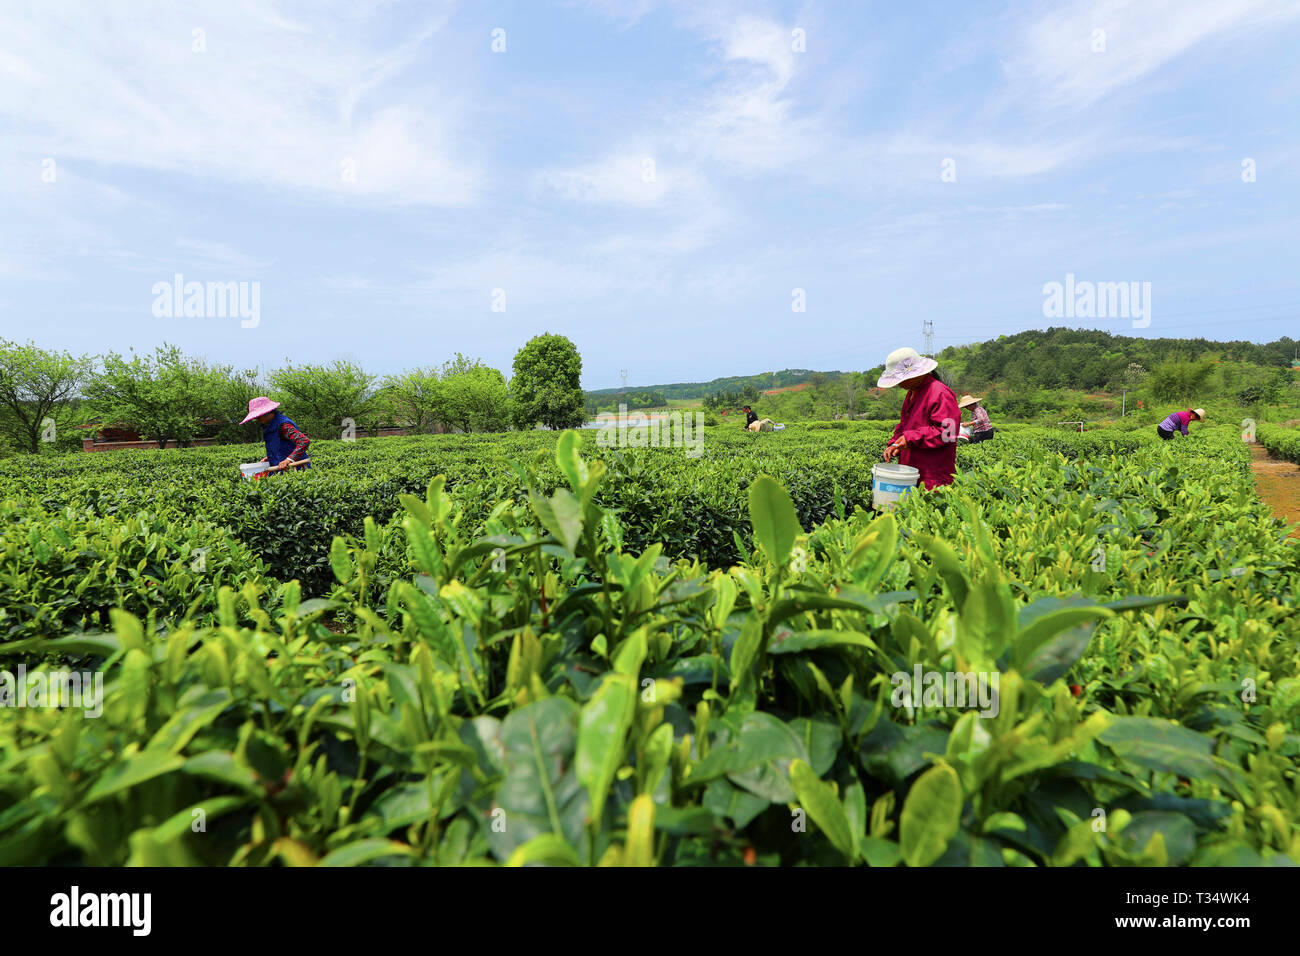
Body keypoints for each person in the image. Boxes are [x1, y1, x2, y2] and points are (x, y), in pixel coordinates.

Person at [879, 347, 959, 489]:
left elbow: (948, 433)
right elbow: (904, 426)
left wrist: (911, 439)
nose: (898, 384)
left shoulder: (939, 392)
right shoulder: (911, 393)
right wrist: (894, 444)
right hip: (911, 472)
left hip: (933, 477)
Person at [239, 397, 312, 471]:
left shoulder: (284, 425)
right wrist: (270, 458)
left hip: (297, 471)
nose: (257, 420)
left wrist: (289, 460)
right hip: (282, 472)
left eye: (258, 417)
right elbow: (283, 447)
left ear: (267, 413)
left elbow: (304, 441)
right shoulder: (270, 426)